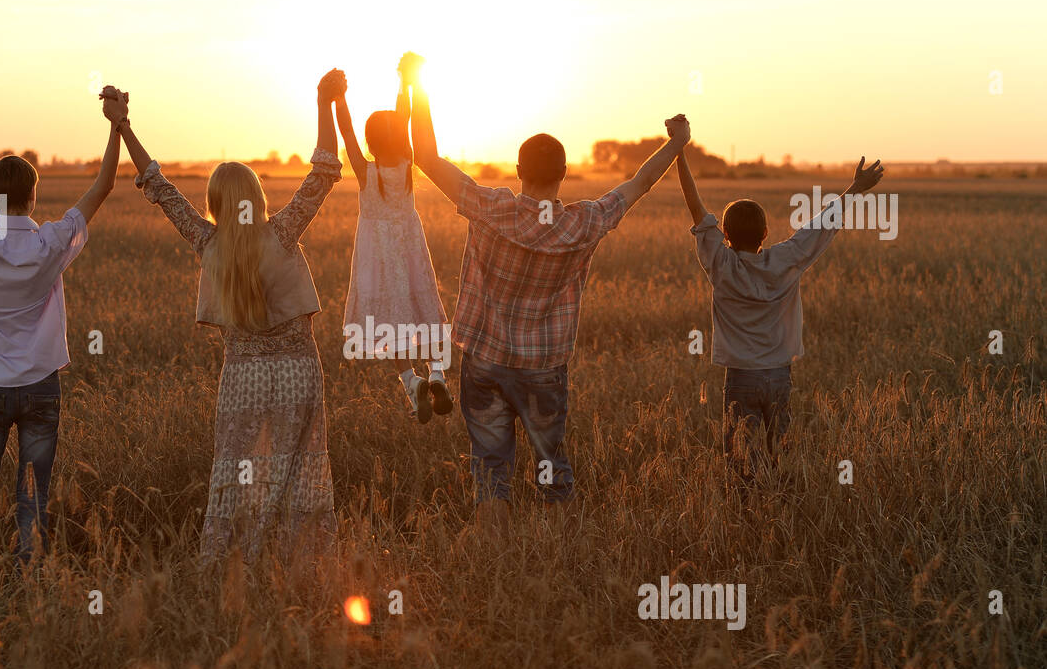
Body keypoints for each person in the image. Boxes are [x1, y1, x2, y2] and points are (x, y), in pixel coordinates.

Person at [408, 55, 690, 539]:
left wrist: (417, 86)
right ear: (564, 173)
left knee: (491, 469)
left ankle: (493, 559)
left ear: (519, 169)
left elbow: (427, 158)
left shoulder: (491, 208)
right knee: (550, 465)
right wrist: (677, 143)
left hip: (486, 361)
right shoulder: (582, 222)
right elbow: (639, 184)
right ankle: (560, 553)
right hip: (543, 367)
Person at [100, 71, 346, 561]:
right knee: (298, 471)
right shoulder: (281, 233)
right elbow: (323, 172)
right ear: (257, 198)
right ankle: (300, 562)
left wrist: (123, 126)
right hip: (299, 372)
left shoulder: (206, 242)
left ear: (214, 204)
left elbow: (159, 188)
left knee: (238, 473)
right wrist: (324, 102)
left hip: (242, 381)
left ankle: (235, 562)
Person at [0, 56, 121, 582]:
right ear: (34, 195)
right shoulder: (50, 241)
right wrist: (116, 126)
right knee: (32, 494)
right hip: (41, 388)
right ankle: (26, 581)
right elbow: (104, 186)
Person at [675, 144, 884, 483]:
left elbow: (696, 209)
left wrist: (679, 152)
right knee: (779, 459)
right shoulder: (786, 260)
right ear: (766, 234)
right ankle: (779, 515)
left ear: (725, 236)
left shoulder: (721, 265)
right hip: (779, 378)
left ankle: (746, 519)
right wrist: (855, 188)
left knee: (741, 466)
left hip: (740, 379)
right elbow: (822, 223)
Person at [336, 52, 451, 422]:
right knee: (423, 310)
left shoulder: (365, 172)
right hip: (411, 253)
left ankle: (409, 381)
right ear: (401, 140)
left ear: (370, 145)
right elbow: (403, 118)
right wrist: (407, 80)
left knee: (393, 319)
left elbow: (347, 132)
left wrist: (338, 99)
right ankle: (437, 374)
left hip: (379, 260)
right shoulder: (406, 166)